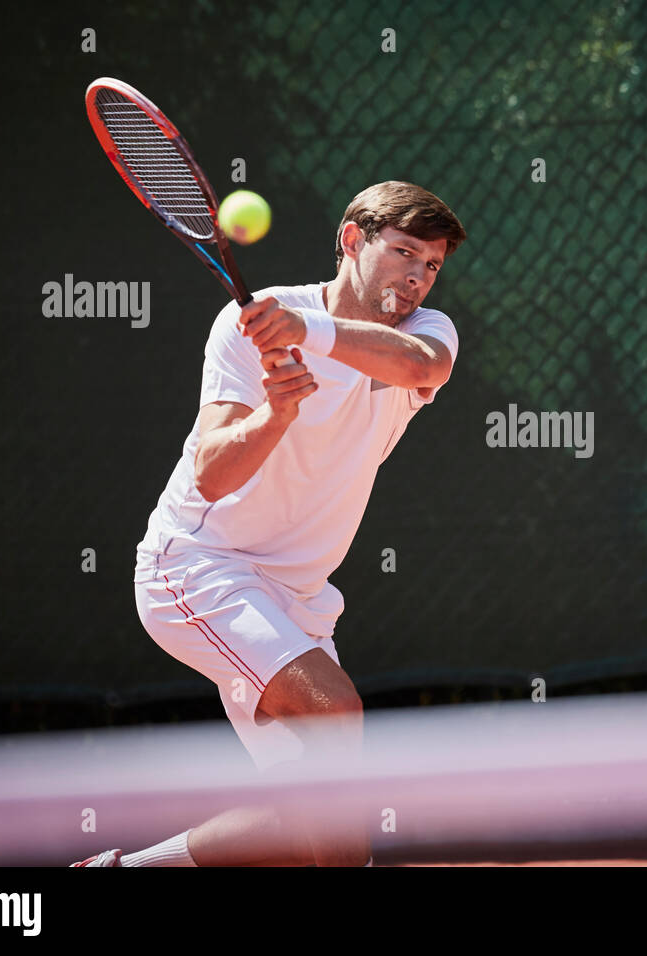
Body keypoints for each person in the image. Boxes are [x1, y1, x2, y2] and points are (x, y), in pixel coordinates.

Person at [73, 181, 467, 867]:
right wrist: (275, 414)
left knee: (312, 812)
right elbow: (212, 475)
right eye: (403, 252)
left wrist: (310, 334)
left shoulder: (424, 334)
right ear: (352, 241)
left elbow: (418, 365)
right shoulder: (246, 326)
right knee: (335, 714)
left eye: (431, 265)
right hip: (198, 565)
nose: (417, 277)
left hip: (301, 595)